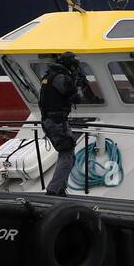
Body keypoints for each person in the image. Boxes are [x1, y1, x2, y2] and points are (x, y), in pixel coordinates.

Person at [39, 52, 87, 196]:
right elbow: (77, 98)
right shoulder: (61, 78)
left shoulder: (50, 75)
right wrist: (79, 84)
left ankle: (60, 188)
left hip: (50, 121)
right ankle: (54, 191)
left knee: (69, 154)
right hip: (57, 122)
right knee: (67, 154)